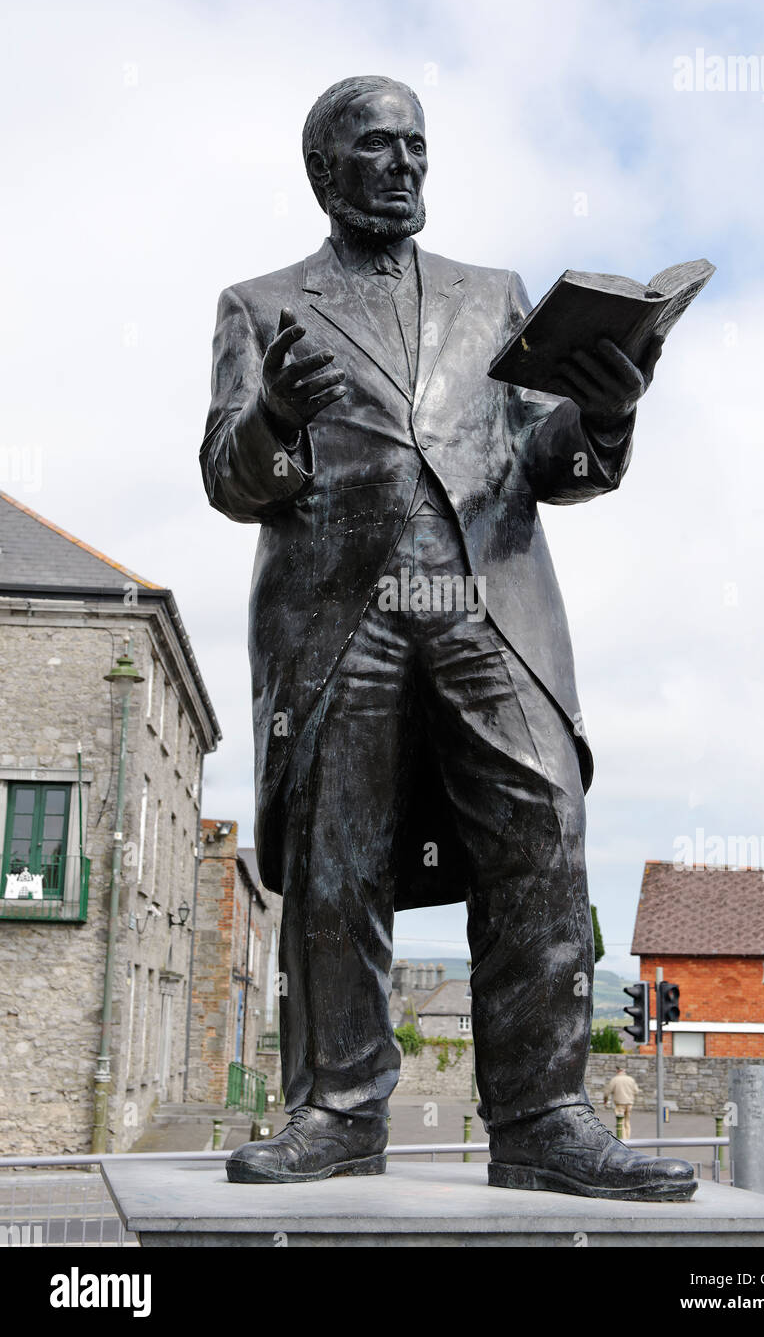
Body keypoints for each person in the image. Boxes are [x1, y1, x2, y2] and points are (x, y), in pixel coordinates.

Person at [200, 74, 695, 1201]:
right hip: (340, 616)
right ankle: (335, 1110)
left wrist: (607, 410)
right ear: (325, 172)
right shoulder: (259, 304)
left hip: (487, 603)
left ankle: (544, 1117)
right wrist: (276, 414)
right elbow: (229, 477)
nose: (406, 164)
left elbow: (546, 463)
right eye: (377, 148)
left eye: (417, 146)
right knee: (339, 863)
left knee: (541, 832)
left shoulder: (495, 297)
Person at [604, 1064, 640, 1140]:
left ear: (618, 1070)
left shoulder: (615, 1079)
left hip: (620, 1103)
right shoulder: (631, 1079)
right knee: (627, 1121)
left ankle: (623, 1140)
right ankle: (628, 1138)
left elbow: (607, 1092)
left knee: (621, 1121)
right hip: (629, 1103)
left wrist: (605, 1101)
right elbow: (636, 1091)